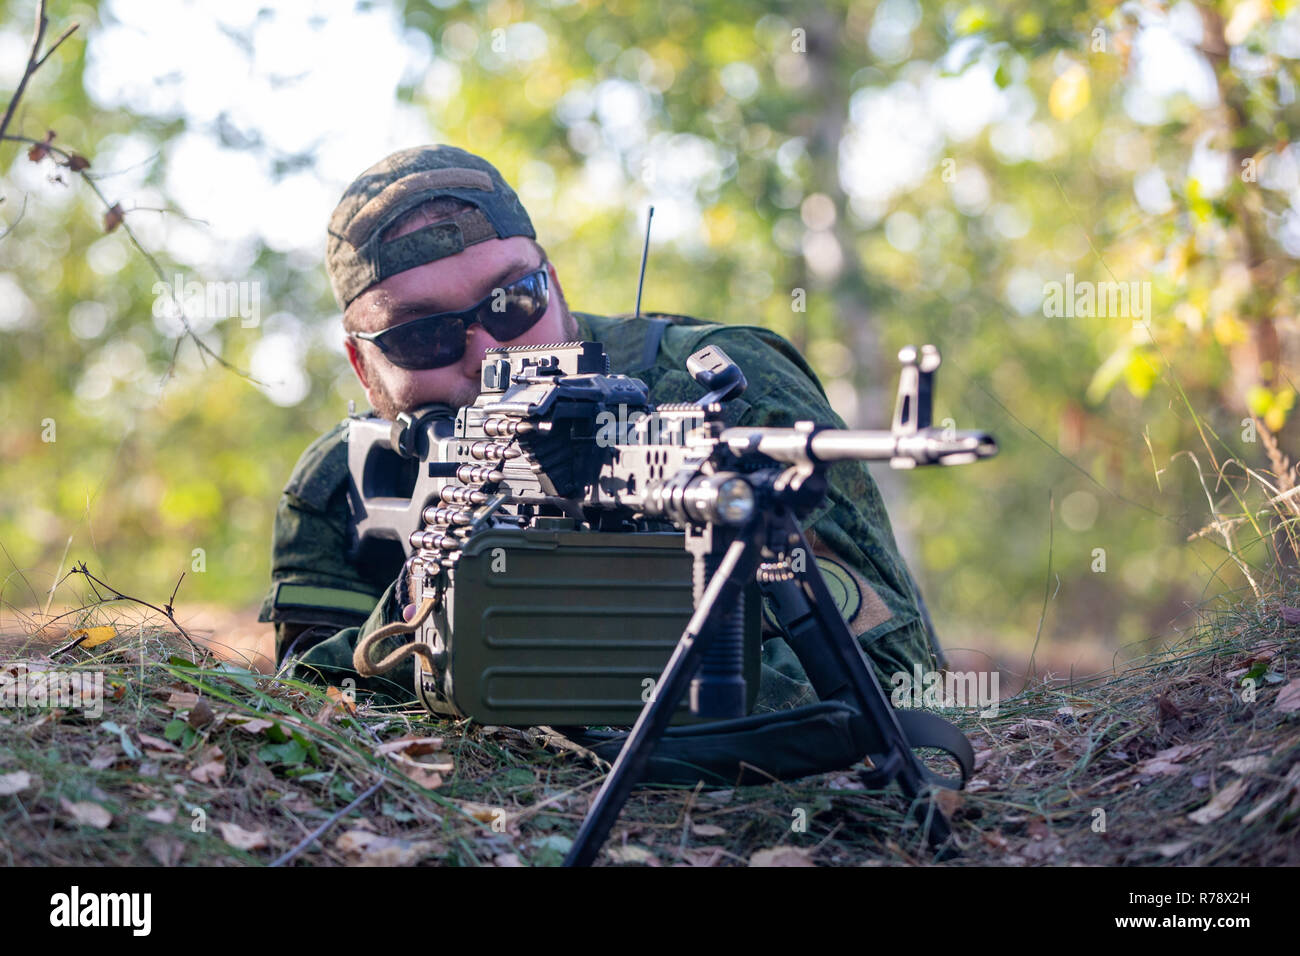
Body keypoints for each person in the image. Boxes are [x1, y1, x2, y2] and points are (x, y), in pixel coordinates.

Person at [258, 144, 940, 710]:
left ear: (552, 281)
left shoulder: (730, 388)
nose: (490, 355)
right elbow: (305, 716)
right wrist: (423, 609)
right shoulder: (343, 483)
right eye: (425, 336)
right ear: (361, 361)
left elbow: (903, 678)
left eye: (513, 301)